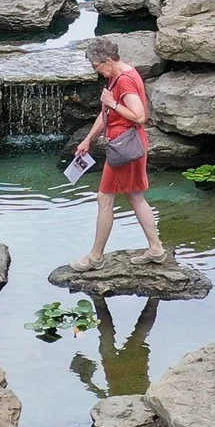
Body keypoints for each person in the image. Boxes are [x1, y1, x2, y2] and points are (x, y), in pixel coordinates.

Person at [72, 36, 166, 264]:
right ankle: (156, 249)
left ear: (108, 60)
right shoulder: (119, 76)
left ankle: (95, 257)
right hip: (130, 145)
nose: (98, 71)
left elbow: (139, 115)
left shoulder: (124, 81)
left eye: (97, 66)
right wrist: (88, 140)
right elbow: (105, 116)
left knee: (104, 198)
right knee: (135, 196)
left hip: (124, 147)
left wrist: (113, 103)